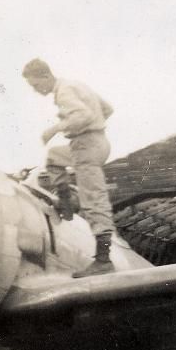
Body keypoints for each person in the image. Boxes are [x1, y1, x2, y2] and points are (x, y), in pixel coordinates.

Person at [22, 58, 117, 277]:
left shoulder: (64, 91)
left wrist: (55, 128)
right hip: (95, 141)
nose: (37, 91)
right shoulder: (76, 85)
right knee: (54, 158)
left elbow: (84, 115)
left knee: (93, 200)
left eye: (36, 85)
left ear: (46, 76)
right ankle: (65, 201)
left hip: (86, 145)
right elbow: (107, 109)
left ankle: (103, 260)